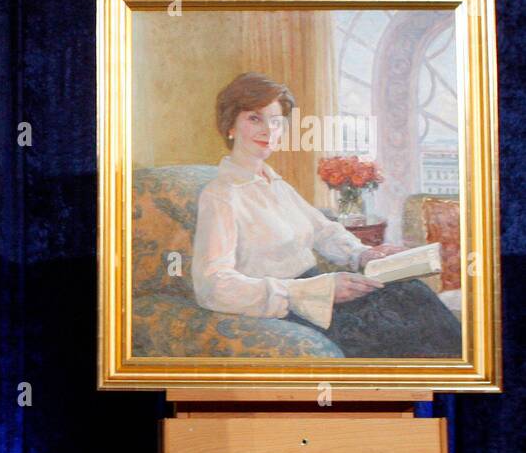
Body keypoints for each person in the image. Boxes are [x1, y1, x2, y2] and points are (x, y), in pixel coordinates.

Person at [191, 72, 462, 357]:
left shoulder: (275, 184)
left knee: (410, 290)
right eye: (254, 118)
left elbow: (323, 230)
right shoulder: (221, 195)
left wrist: (362, 254)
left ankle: (457, 389)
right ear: (230, 125)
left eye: (276, 121)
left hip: (322, 294)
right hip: (293, 308)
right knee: (402, 329)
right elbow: (213, 286)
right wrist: (313, 291)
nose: (268, 131)